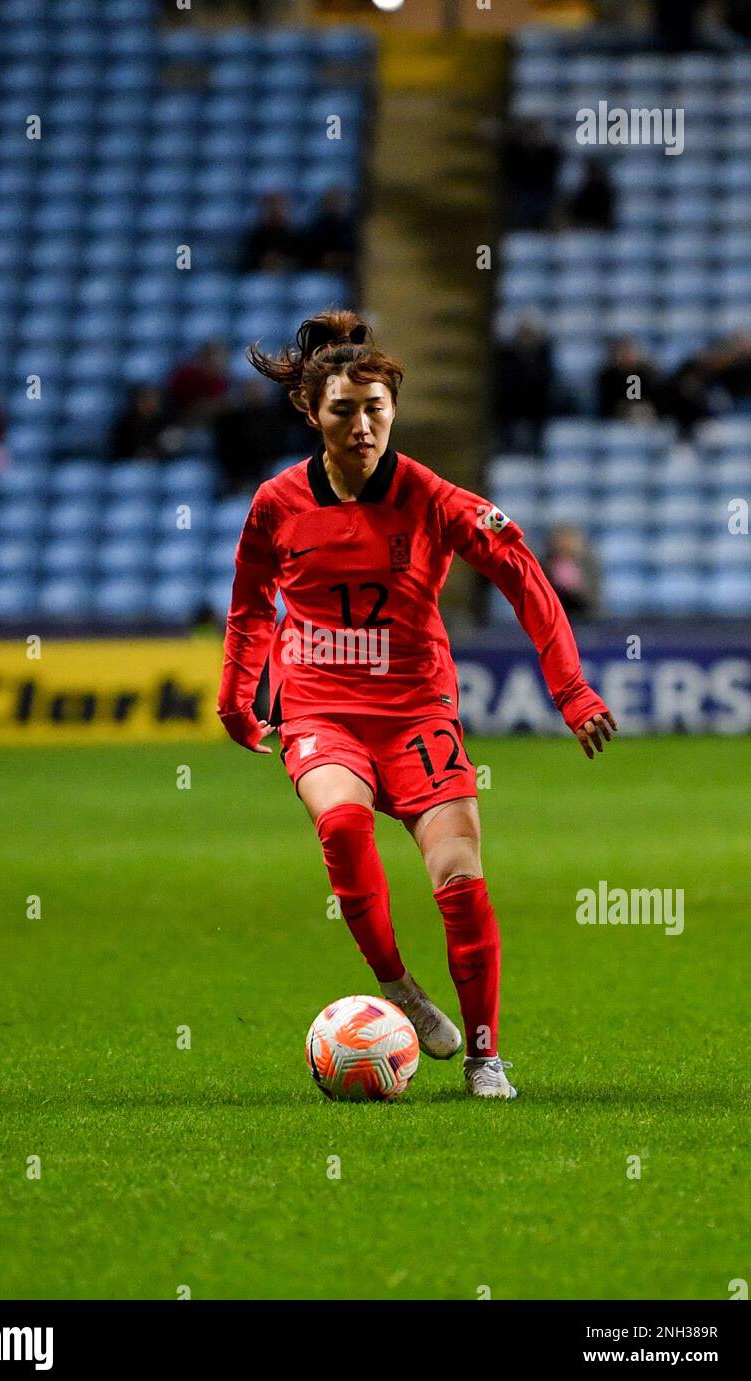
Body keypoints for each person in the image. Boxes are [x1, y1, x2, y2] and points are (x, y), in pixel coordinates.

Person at [217, 311, 617, 1100]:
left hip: (416, 713)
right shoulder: (276, 504)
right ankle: (396, 984)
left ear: (393, 408)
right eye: (344, 410)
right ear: (311, 413)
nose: (362, 425)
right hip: (320, 708)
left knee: (461, 881)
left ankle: (482, 1055)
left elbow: (524, 577)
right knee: (341, 822)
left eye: (376, 409)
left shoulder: (433, 498)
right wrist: (238, 695)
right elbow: (250, 603)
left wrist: (572, 690)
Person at [494, 317, 556, 452]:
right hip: (509, 410)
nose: (527, 338)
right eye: (524, 333)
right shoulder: (506, 357)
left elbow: (545, 385)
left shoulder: (544, 357)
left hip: (537, 411)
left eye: (529, 333)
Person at [544, 525, 602, 620]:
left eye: (569, 540)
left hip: (585, 618)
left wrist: (574, 588)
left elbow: (593, 599)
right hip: (554, 619)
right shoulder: (545, 564)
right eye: (562, 540)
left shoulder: (589, 564)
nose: (565, 545)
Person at [597, 338, 662, 421]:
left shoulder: (646, 375)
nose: (625, 357)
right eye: (621, 353)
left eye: (628, 353)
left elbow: (651, 400)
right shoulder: (607, 377)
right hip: (615, 421)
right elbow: (606, 404)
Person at [302, 186, 358, 276]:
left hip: (346, 274)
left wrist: (341, 259)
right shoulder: (316, 227)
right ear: (325, 203)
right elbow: (309, 254)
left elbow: (355, 252)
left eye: (338, 201)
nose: (335, 204)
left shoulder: (351, 226)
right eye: (331, 201)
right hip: (319, 272)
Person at [242, 191, 301, 273]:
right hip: (261, 277)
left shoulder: (294, 235)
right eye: (270, 207)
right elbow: (248, 262)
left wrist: (282, 262)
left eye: (279, 207)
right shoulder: (256, 236)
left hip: (288, 277)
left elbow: (299, 260)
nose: (275, 210)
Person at [108, 385, 170, 461]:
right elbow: (118, 452)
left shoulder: (166, 422)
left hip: (161, 466)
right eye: (145, 399)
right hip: (131, 465)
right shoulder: (125, 425)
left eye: (152, 400)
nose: (149, 403)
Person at [566, 158, 616, 231]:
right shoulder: (579, 191)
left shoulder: (605, 191)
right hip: (582, 227)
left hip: (599, 229)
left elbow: (608, 215)